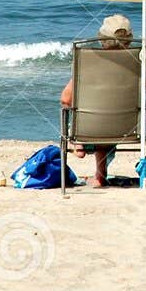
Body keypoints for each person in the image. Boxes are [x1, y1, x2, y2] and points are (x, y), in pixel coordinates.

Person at [59, 13, 132, 187]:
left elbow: (65, 98)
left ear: (102, 39)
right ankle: (100, 173)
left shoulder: (88, 62)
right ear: (129, 40)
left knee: (89, 110)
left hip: (92, 126)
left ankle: (77, 143)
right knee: (110, 111)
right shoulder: (137, 63)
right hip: (127, 127)